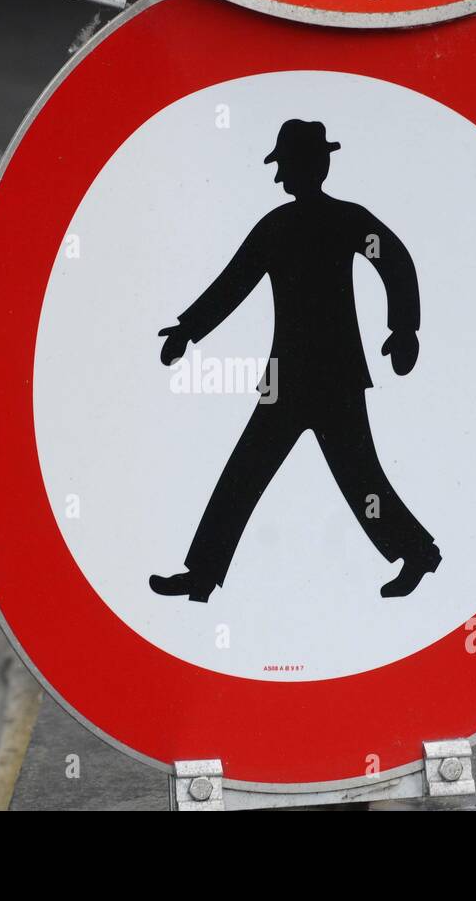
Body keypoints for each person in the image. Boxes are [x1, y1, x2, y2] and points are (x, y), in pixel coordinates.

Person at [151, 120, 441, 604]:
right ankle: (201, 576)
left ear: (309, 167)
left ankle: (416, 553)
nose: (280, 177)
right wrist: (188, 330)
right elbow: (235, 283)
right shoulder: (279, 227)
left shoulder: (339, 221)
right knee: (251, 472)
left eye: (285, 165)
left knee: (354, 478)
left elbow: (393, 260)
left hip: (331, 377)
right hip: (292, 377)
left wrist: (403, 329)